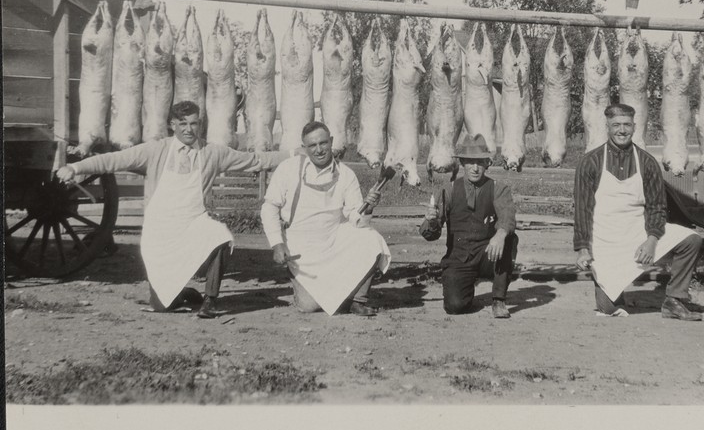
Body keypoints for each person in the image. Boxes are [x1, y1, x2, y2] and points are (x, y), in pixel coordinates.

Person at [56, 101, 286, 318]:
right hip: (160, 231)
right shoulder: (155, 150)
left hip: (194, 222)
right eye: (183, 123)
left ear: (200, 124)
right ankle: (183, 293)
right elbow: (114, 160)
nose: (189, 129)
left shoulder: (212, 153)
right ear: (172, 125)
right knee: (161, 306)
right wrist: (75, 167)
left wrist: (295, 155)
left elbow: (255, 160)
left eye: (194, 123)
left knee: (220, 236)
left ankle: (210, 300)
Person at [573, 103, 704, 320]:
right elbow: (583, 210)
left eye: (626, 125)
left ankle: (674, 299)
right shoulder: (590, 162)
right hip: (604, 240)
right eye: (616, 125)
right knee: (608, 309)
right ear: (607, 127)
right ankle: (610, 289)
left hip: (638, 234)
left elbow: (657, 207)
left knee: (691, 240)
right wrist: (582, 249)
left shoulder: (647, 162)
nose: (622, 130)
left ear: (635, 127)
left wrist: (651, 240)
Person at [261, 121, 391, 316]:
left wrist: (369, 205)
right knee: (309, 307)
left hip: (334, 241)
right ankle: (312, 287)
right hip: (301, 248)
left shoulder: (346, 174)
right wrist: (277, 244)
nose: (319, 150)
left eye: (323, 143)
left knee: (371, 239)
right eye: (312, 146)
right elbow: (269, 207)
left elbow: (357, 220)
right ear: (304, 148)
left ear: (331, 142)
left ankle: (358, 299)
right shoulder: (288, 169)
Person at [419, 134, 517, 318]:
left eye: (480, 162)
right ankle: (466, 285)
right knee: (455, 306)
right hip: (459, 256)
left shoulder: (498, 188)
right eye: (470, 162)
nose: (475, 168)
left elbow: (508, 217)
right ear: (462, 163)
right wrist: (430, 221)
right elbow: (430, 234)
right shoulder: (449, 190)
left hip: (487, 253)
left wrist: (500, 234)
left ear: (487, 164)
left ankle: (498, 299)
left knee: (509, 238)